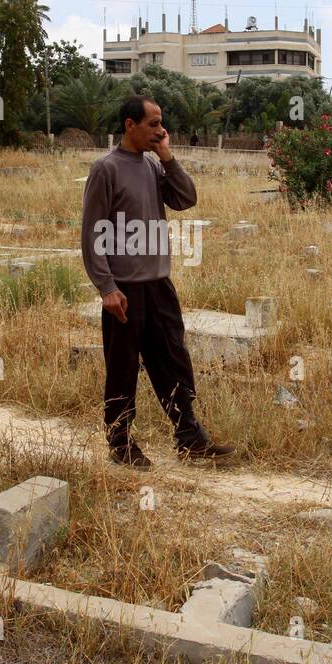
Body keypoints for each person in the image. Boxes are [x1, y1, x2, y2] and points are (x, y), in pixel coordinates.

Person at [80, 95, 234, 468]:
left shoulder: (152, 166)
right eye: (153, 124)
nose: (160, 130)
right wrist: (106, 287)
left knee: (173, 361)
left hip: (159, 285)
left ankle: (190, 439)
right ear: (130, 125)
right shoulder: (106, 169)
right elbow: (91, 234)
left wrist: (167, 156)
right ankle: (120, 443)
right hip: (125, 291)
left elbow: (186, 199)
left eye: (161, 123)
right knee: (123, 368)